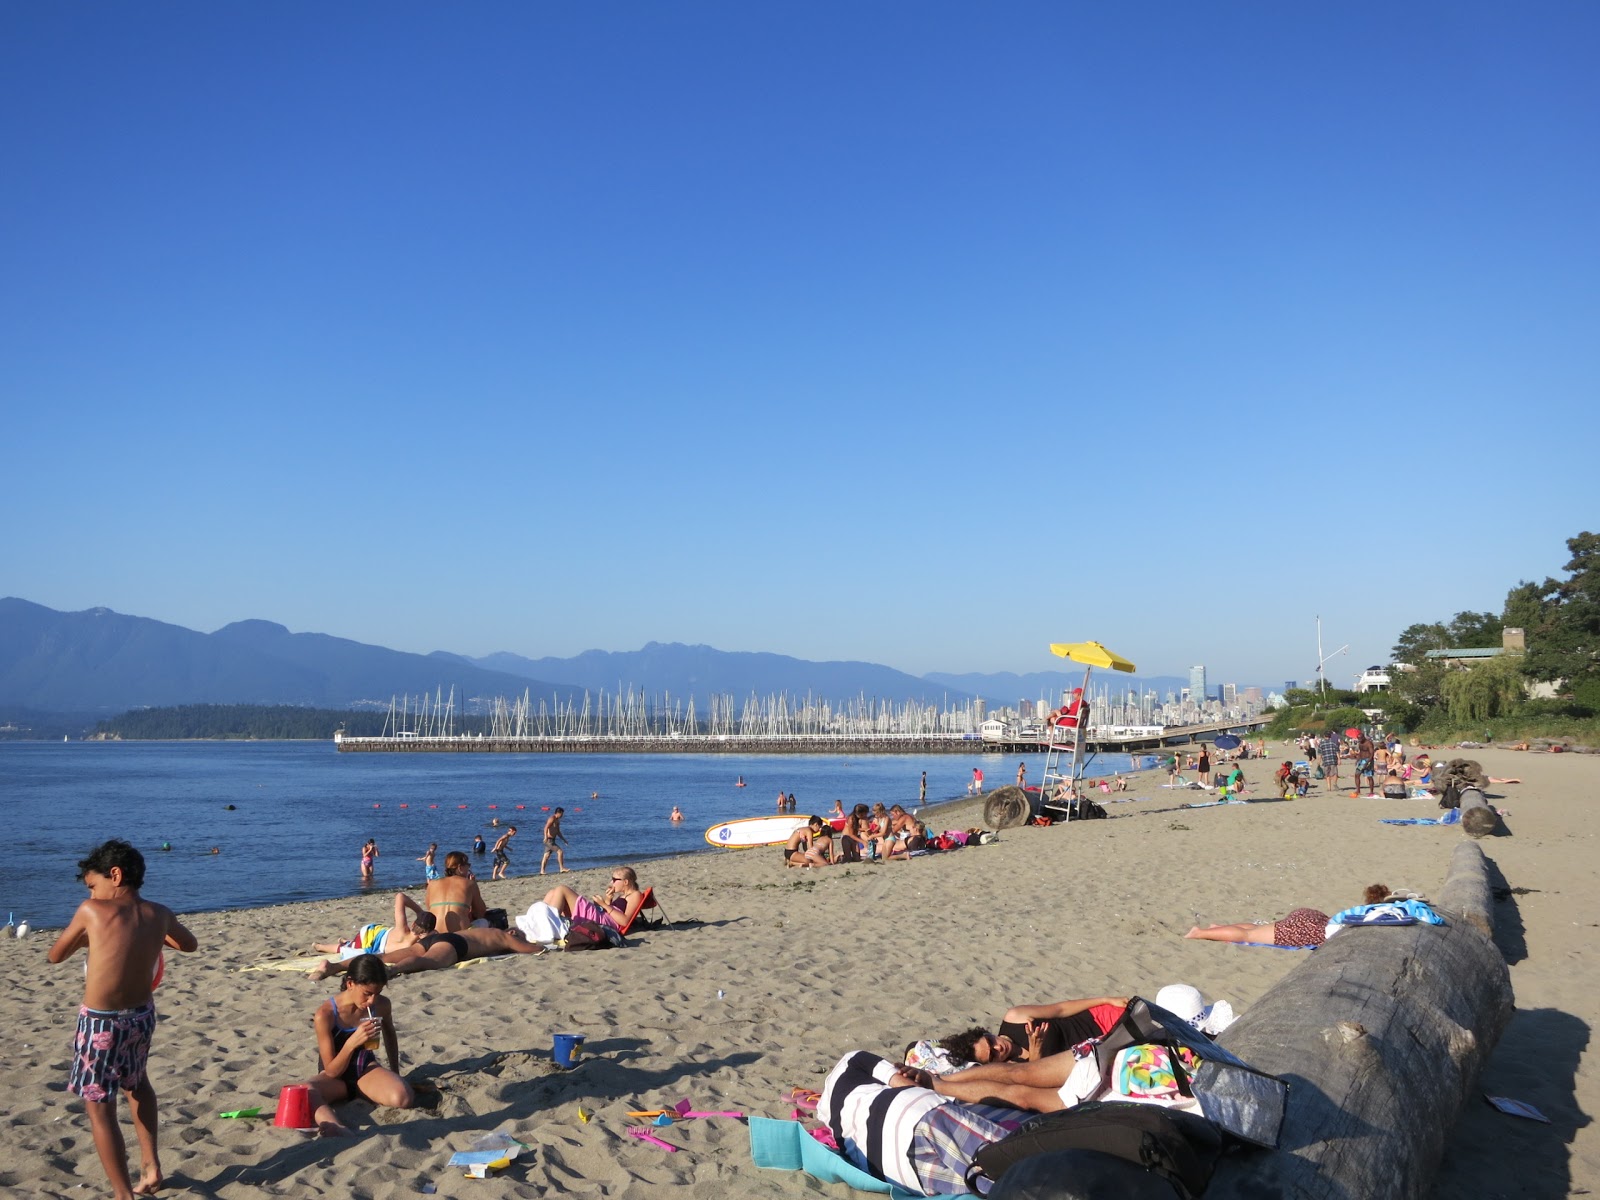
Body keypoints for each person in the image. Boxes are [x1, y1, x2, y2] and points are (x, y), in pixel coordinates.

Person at [47, 839, 199, 1200]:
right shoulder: (159, 913)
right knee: (137, 1084)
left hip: (101, 1022)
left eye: (93, 885)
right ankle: (151, 1166)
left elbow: (55, 955)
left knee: (99, 1106)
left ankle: (122, 1194)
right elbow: (189, 945)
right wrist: (155, 940)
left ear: (114, 875)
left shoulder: (92, 911)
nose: (92, 893)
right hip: (141, 1017)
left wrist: (87, 940)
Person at [293, 953, 414, 1136]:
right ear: (350, 983)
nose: (372, 1000)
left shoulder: (381, 1005)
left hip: (364, 1068)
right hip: (335, 1077)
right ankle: (334, 1125)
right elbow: (331, 1071)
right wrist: (352, 1043)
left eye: (377, 993)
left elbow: (389, 1033)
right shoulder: (326, 1014)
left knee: (403, 1098)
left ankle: (364, 1091)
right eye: (367, 993)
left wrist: (395, 1072)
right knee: (305, 1091)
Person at [937, 995, 1129, 1067]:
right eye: (992, 1055)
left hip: (1100, 1020)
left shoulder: (1014, 1017)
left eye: (990, 1043)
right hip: (1103, 1053)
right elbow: (1037, 1074)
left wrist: (1106, 1000)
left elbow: (1061, 1009)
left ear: (986, 1033)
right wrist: (1035, 1048)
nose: (998, 1049)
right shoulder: (1013, 1067)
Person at [1185, 884, 1389, 948]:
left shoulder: (1366, 913)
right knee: (1249, 936)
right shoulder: (1376, 923)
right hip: (1309, 929)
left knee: (1257, 930)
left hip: (1315, 918)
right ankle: (1200, 932)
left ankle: (1216, 928)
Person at [310, 923, 545, 979]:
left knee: (383, 956)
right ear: (513, 932)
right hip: (455, 945)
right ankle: (393, 972)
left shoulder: (482, 929)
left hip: (441, 936)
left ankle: (333, 967)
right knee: (428, 962)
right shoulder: (505, 935)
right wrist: (541, 946)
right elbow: (532, 950)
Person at [314, 892, 436, 958]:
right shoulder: (406, 933)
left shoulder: (402, 929)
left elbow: (400, 896)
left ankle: (346, 941)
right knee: (345, 949)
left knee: (352, 945)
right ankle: (320, 946)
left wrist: (419, 911)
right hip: (370, 936)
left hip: (379, 932)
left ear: (414, 923)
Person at [541, 866, 649, 932]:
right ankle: (540, 920)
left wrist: (604, 904)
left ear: (625, 882)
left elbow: (625, 921)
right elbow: (611, 912)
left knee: (562, 889)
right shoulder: (623, 896)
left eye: (614, 880)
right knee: (553, 892)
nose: (611, 882)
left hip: (605, 922)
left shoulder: (635, 895)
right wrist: (608, 900)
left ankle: (548, 926)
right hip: (603, 916)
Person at [426, 852, 487, 931]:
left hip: (436, 932)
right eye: (468, 865)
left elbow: (429, 908)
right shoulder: (469, 883)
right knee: (484, 921)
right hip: (461, 935)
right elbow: (480, 912)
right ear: (460, 867)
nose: (469, 868)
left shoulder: (432, 884)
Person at [540, 809, 569, 874]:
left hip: (553, 840)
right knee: (560, 852)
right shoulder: (552, 818)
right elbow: (545, 828)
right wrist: (545, 837)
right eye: (562, 814)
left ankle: (542, 871)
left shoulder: (557, 821)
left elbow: (558, 832)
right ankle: (561, 868)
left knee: (546, 855)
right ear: (558, 813)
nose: (562, 815)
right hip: (549, 840)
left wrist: (564, 840)